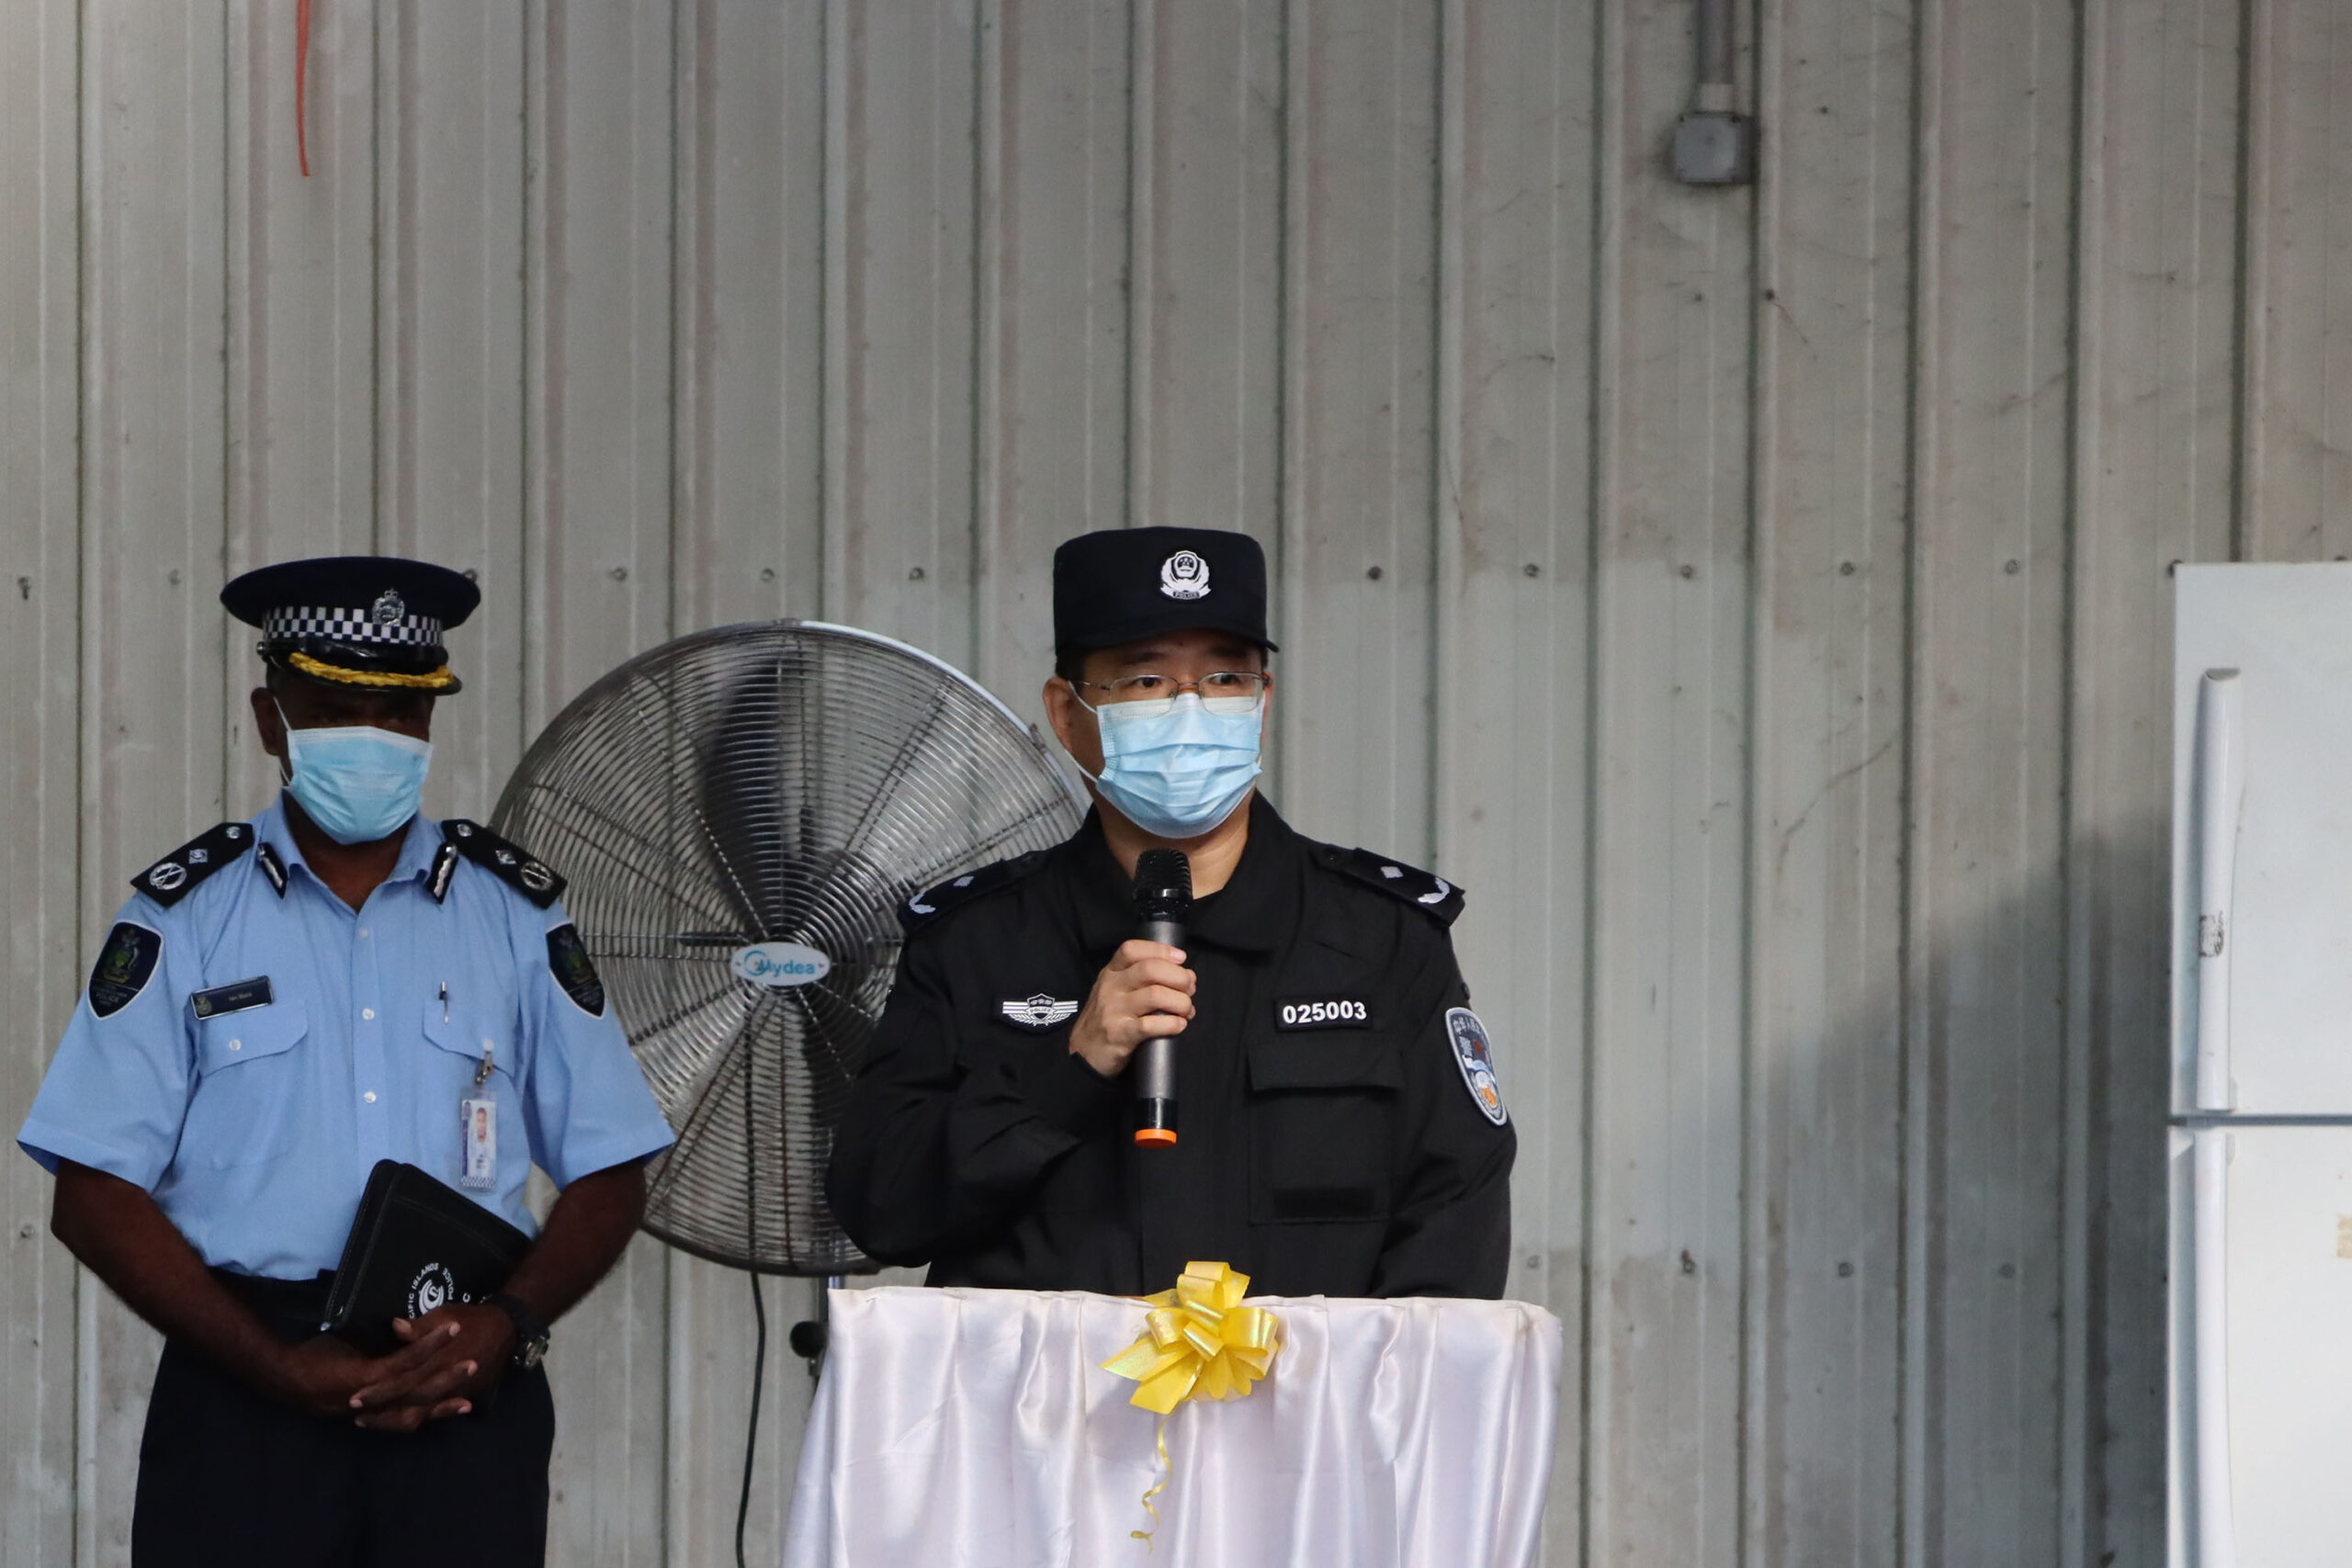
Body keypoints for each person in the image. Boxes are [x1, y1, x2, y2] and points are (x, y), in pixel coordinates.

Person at [15, 557, 677, 1567]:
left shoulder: (514, 916)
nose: (376, 740)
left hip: (463, 1378)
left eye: (403, 715)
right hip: (242, 1386)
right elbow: (93, 1189)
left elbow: (613, 1164)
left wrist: (508, 1323)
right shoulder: (184, 917)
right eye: (335, 707)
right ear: (269, 717)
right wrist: (274, 1366)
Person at [827, 527, 1515, 1297]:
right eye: (1147, 682)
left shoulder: (1384, 939)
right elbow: (879, 1211)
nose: (1192, 708)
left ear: (1262, 702)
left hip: (1310, 1414)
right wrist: (1064, 1069)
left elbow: (1456, 1230)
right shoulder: (974, 943)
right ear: (1068, 713)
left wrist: (1345, 1406)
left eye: (1225, 678)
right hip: (1048, 1416)